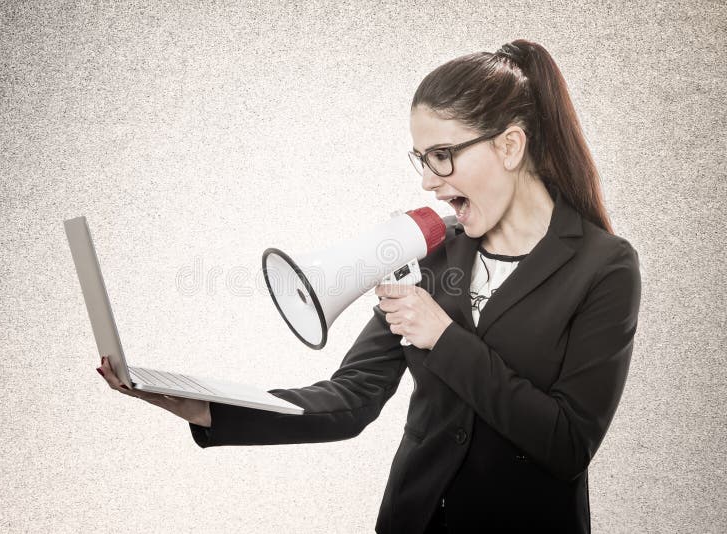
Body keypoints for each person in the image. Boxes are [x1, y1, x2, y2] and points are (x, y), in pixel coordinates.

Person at [97, 39, 642, 534]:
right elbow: (350, 399)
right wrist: (205, 409)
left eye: (443, 156)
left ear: (510, 146)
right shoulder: (431, 254)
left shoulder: (604, 267)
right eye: (421, 159)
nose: (428, 180)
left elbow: (567, 444)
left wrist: (443, 337)